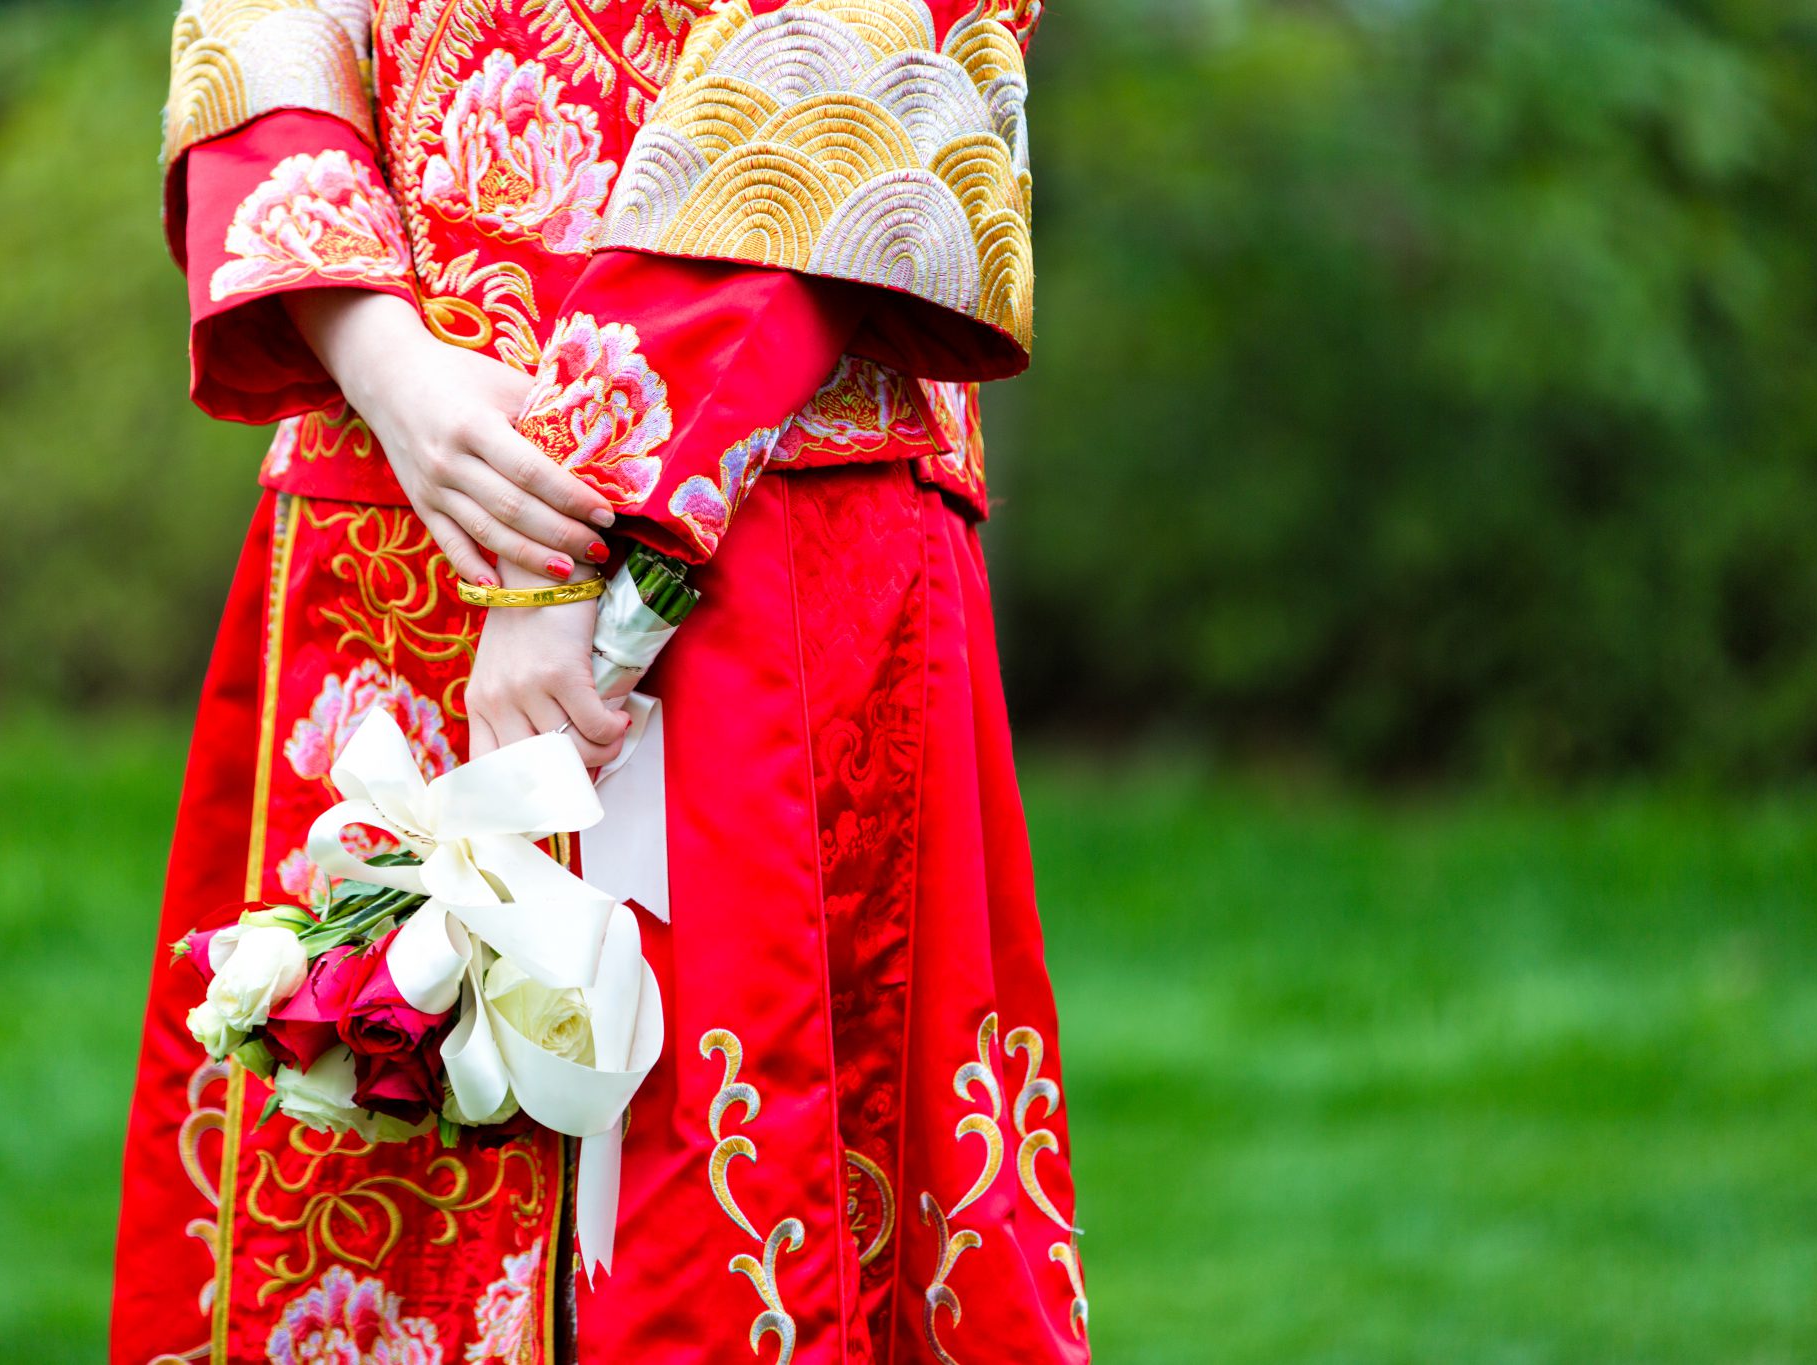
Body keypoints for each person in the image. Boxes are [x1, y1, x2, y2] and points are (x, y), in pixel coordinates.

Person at [110, 0, 1087, 1360]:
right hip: (396, 489)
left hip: (754, 499)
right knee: (369, 1176)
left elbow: (841, 58)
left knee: (721, 1167)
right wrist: (387, 366)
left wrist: (582, 527)